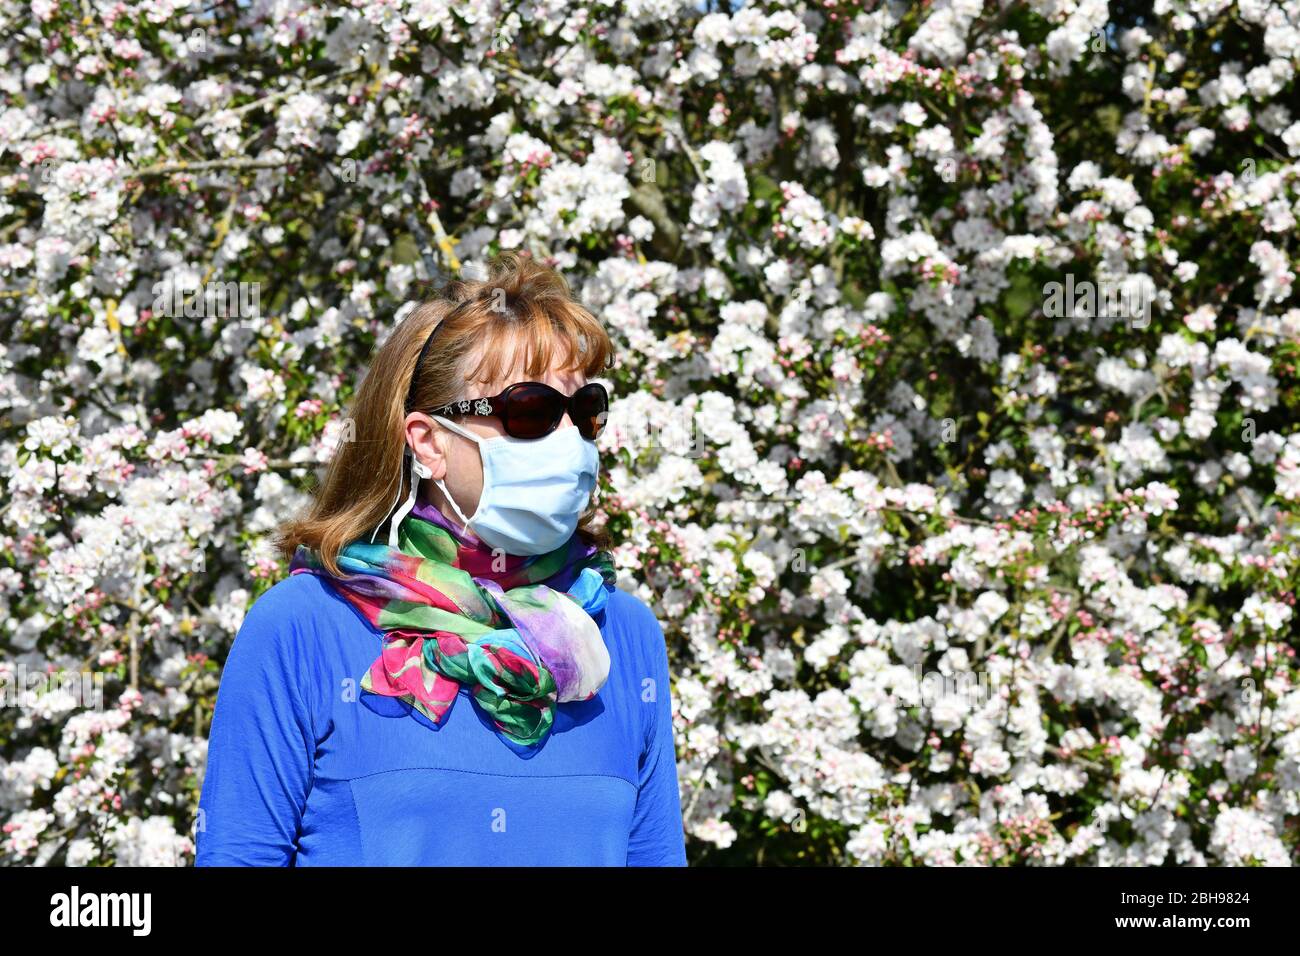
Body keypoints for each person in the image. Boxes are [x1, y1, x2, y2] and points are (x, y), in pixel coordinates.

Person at [194, 253, 687, 866]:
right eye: (529, 411)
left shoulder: (620, 633)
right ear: (428, 442)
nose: (568, 441)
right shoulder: (304, 628)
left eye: (583, 411)